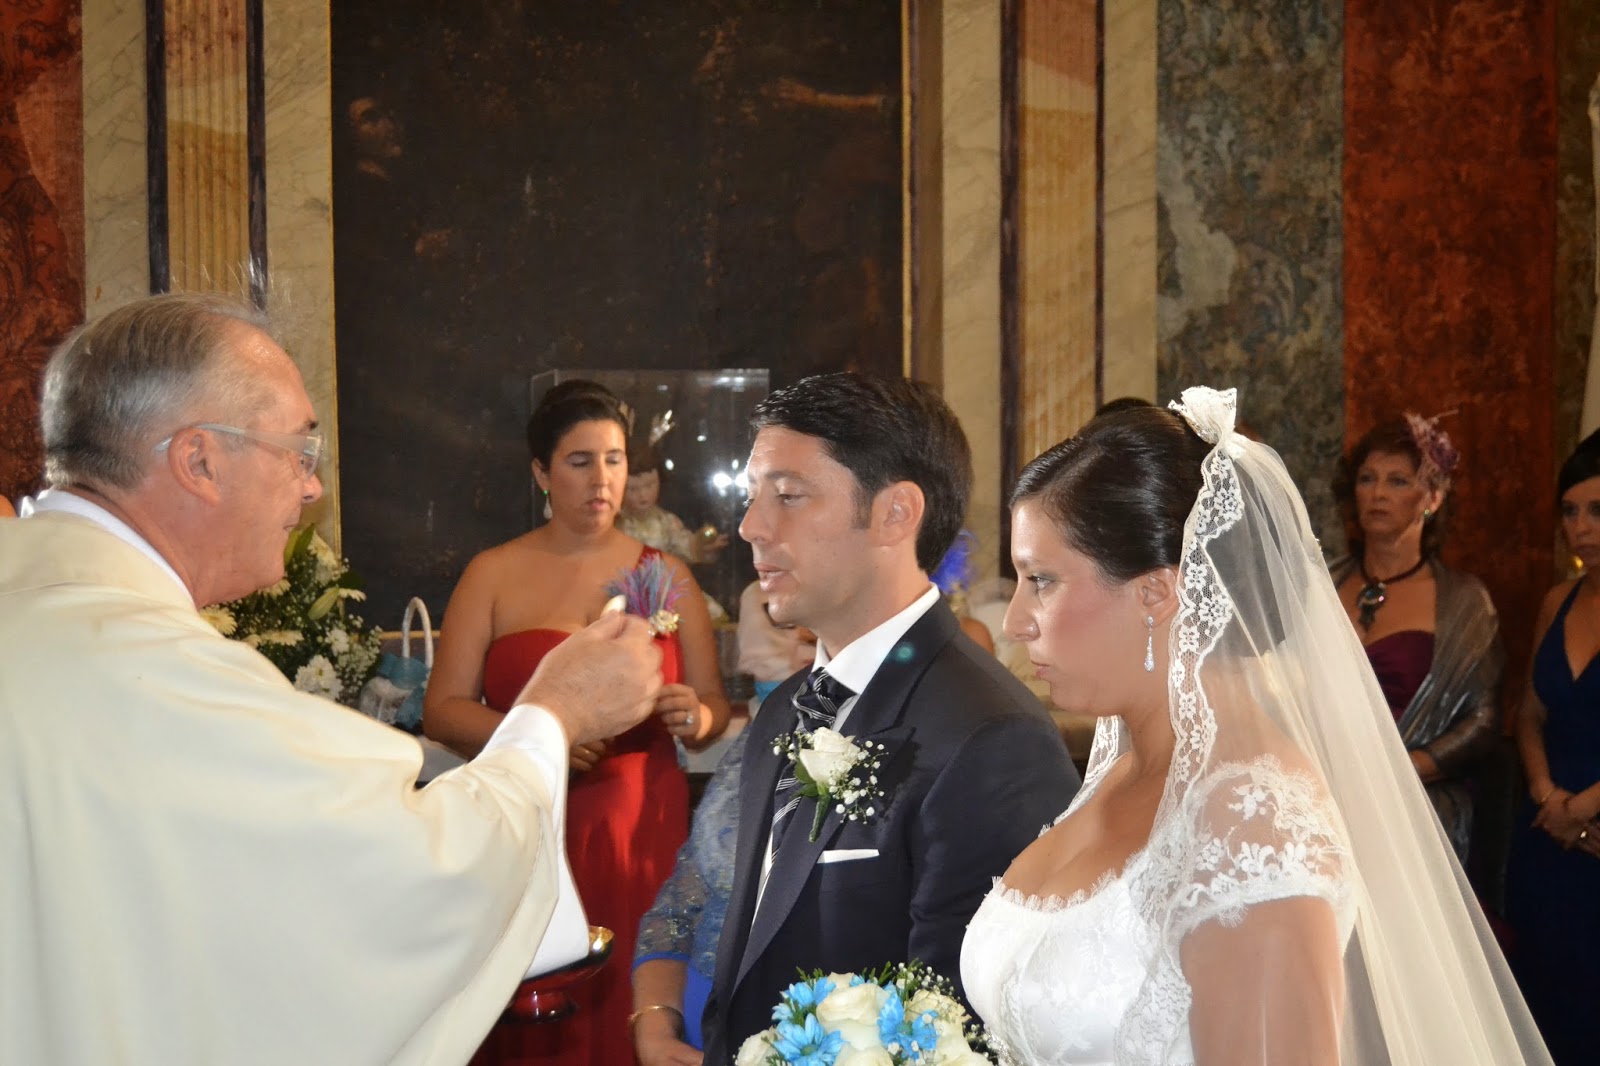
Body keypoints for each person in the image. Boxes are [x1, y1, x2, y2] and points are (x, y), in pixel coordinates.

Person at [0, 293, 664, 1066]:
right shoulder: (146, 672)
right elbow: (419, 875)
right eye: (297, 451)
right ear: (199, 461)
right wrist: (555, 710)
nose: (311, 488)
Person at [960, 389, 1550, 1065]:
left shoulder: (1256, 825)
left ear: (1156, 592)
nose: (1015, 622)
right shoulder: (1124, 769)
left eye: (1040, 580)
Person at [695, 372, 1080, 1064]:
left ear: (896, 513)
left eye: (788, 495)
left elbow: (961, 1032)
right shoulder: (786, 706)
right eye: (753, 497)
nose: (751, 526)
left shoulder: (991, 740)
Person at [423, 379, 731, 1066]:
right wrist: (542, 733)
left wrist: (695, 713)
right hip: (535, 820)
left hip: (641, 826)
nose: (602, 480)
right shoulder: (493, 573)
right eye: (580, 461)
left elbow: (711, 708)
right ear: (541, 472)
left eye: (615, 460)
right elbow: (442, 708)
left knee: (641, 1005)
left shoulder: (666, 574)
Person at [1328, 415, 1503, 862]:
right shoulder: (1319, 584)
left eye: (1398, 481)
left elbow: (1483, 719)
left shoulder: (1463, 600)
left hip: (1417, 813)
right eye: (1367, 479)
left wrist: (1400, 772)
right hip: (1324, 802)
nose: (1378, 493)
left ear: (1433, 498)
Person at [1506, 427, 1600, 1064]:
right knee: (1540, 1009)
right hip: (1546, 834)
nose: (1580, 527)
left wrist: (1583, 809)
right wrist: (1547, 796)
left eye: (1596, 510)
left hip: (1592, 834)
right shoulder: (1556, 600)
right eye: (1570, 511)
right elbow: (1528, 715)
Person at [618, 442, 730, 565]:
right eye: (633, 489)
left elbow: (684, 545)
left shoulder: (666, 522)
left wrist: (701, 546)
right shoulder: (616, 522)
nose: (643, 495)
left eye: (649, 485)